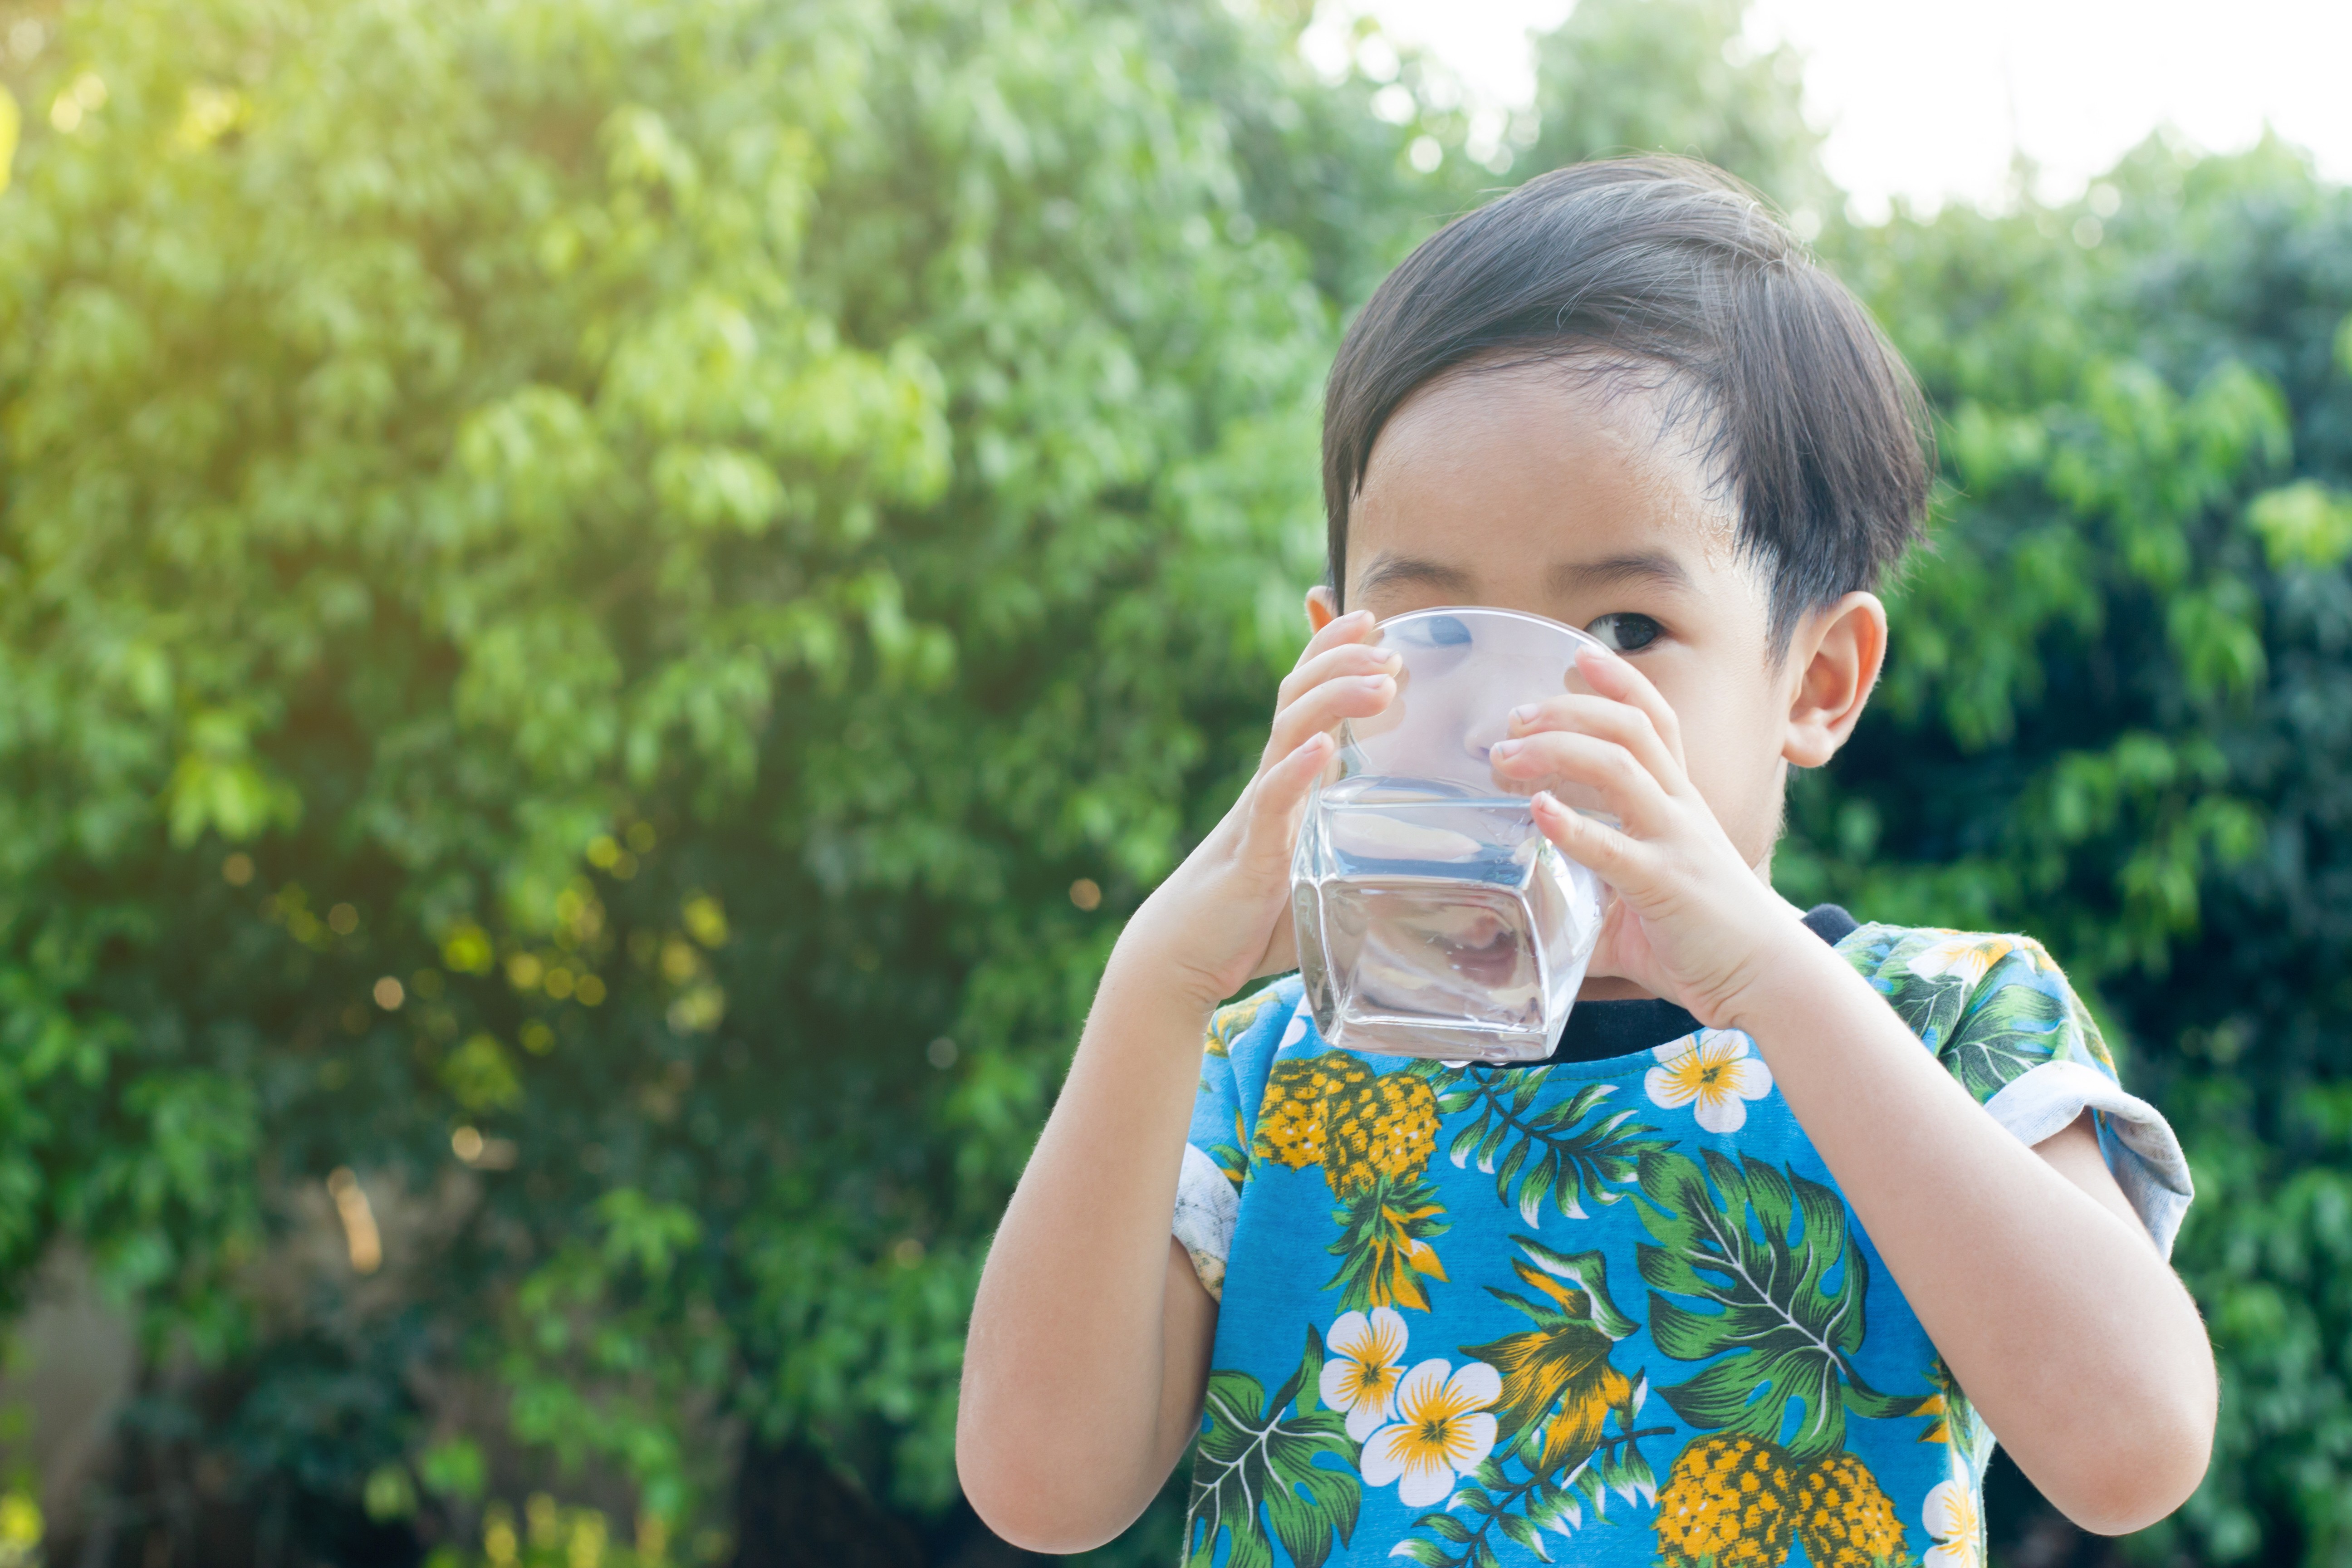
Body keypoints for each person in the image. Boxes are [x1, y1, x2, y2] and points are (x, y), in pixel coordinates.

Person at [957, 157, 2214, 1566]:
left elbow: (2134, 1448)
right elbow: (1038, 1486)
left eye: (1621, 632)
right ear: (1333, 656)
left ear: (1818, 681)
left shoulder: (1950, 1026)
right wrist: (1158, 982)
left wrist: (1762, 975)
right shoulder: (1268, 1073)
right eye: (1433, 631)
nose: (1513, 715)